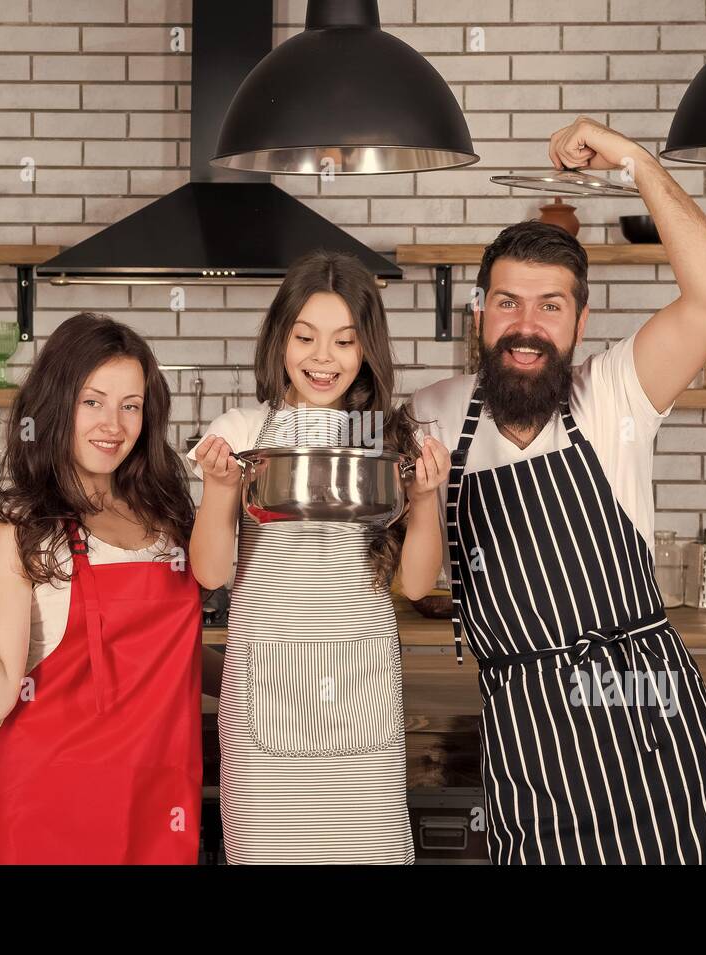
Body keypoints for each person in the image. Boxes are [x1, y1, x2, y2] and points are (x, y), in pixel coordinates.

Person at [410, 117, 706, 865]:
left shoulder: (613, 394)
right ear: (479, 312)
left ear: (582, 320)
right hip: (532, 746)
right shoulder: (428, 415)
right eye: (507, 302)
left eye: (550, 305)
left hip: (656, 731)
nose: (526, 325)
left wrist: (635, 158)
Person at [0, 312, 217, 864]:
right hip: (43, 815)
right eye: (92, 401)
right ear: (56, 406)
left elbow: (171, 650)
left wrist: (265, 682)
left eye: (130, 405)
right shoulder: (21, 538)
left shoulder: (169, 522)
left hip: (153, 806)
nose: (113, 424)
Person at [187, 250, 449, 864]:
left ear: (367, 349)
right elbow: (210, 572)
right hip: (265, 691)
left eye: (343, 341)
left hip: (359, 688)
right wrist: (222, 489)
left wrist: (427, 495)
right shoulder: (245, 429)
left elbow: (414, 583)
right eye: (305, 337)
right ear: (279, 338)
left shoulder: (391, 437)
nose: (322, 359)